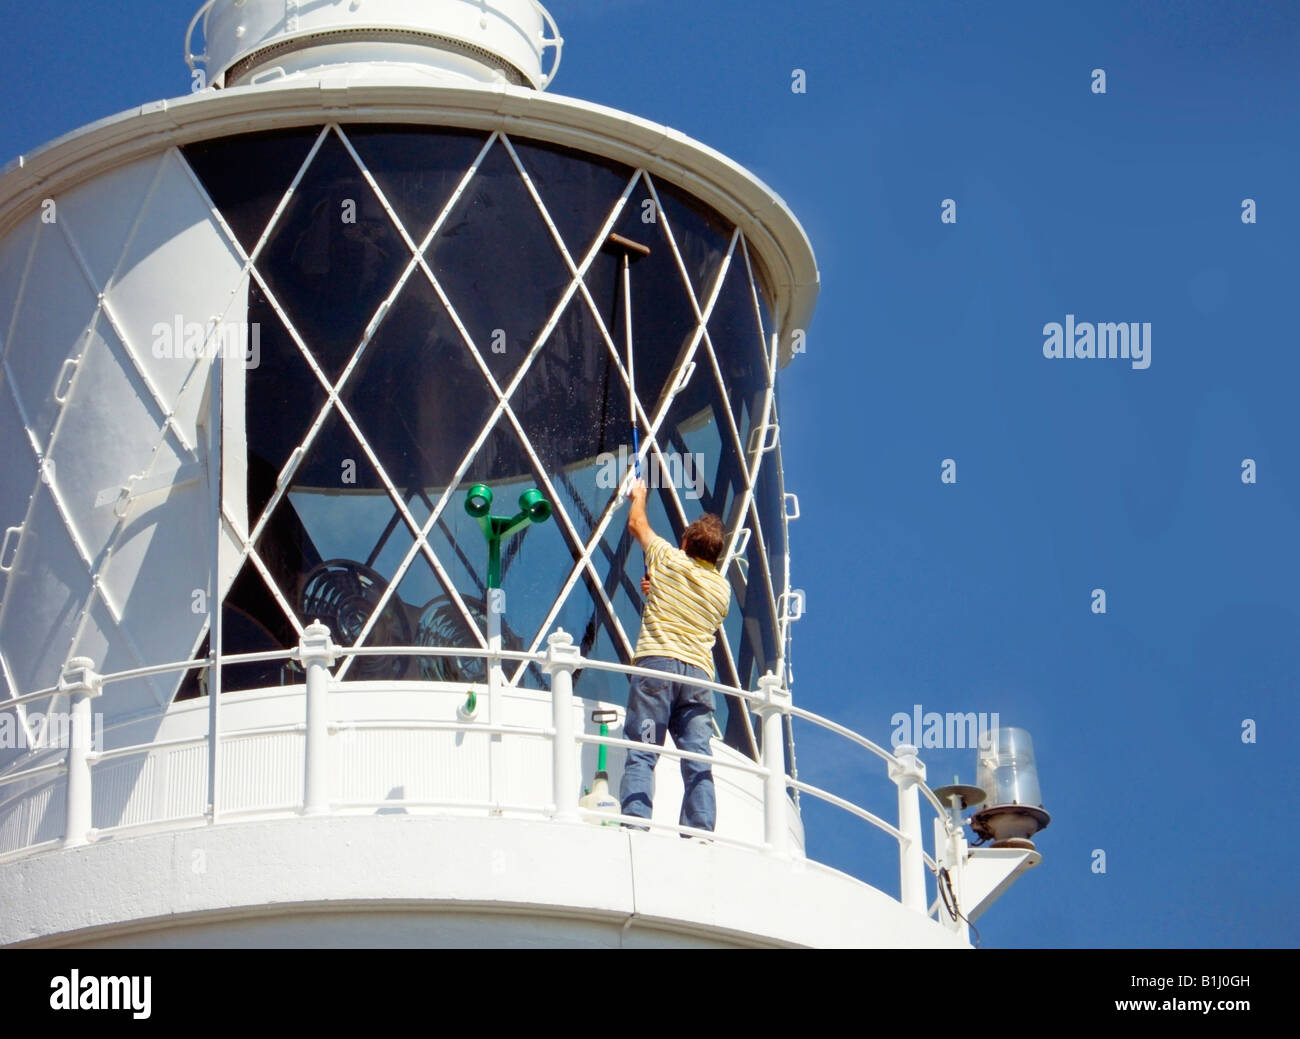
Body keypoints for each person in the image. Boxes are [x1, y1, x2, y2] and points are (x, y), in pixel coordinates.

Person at [619, 480, 731, 834]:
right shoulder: (722, 590)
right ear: (716, 556)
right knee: (698, 759)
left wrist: (639, 497)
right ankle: (699, 831)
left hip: (657, 671)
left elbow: (637, 524)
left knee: (644, 749)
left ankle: (635, 823)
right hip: (696, 680)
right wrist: (659, 588)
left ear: (685, 543)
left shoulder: (667, 558)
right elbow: (693, 607)